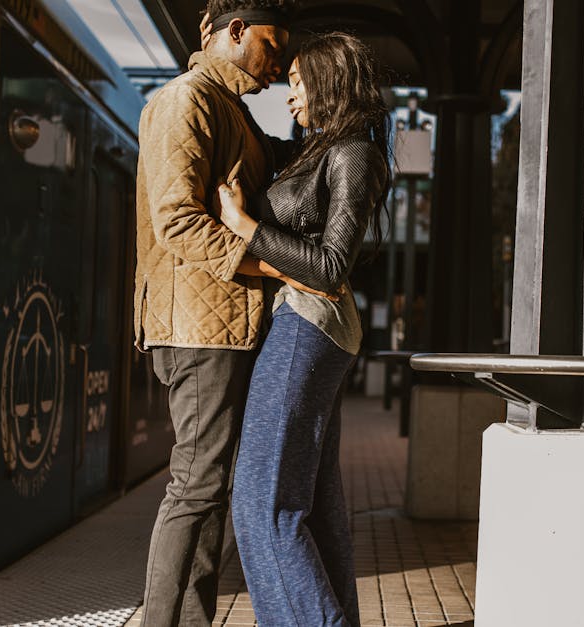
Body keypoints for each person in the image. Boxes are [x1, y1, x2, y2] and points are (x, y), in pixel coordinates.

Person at [132, 1, 324, 625]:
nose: (278, 62)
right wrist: (275, 266)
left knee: (209, 488)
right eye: (272, 45)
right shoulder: (185, 101)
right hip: (197, 326)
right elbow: (178, 223)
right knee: (195, 487)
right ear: (235, 32)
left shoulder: (230, 110)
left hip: (223, 323)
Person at [214, 32, 391, 627]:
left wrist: (243, 224)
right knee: (313, 507)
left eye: (297, 83)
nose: (290, 96)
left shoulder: (354, 154)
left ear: (329, 81)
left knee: (261, 506)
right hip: (306, 324)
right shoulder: (322, 149)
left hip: (308, 324)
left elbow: (332, 266)